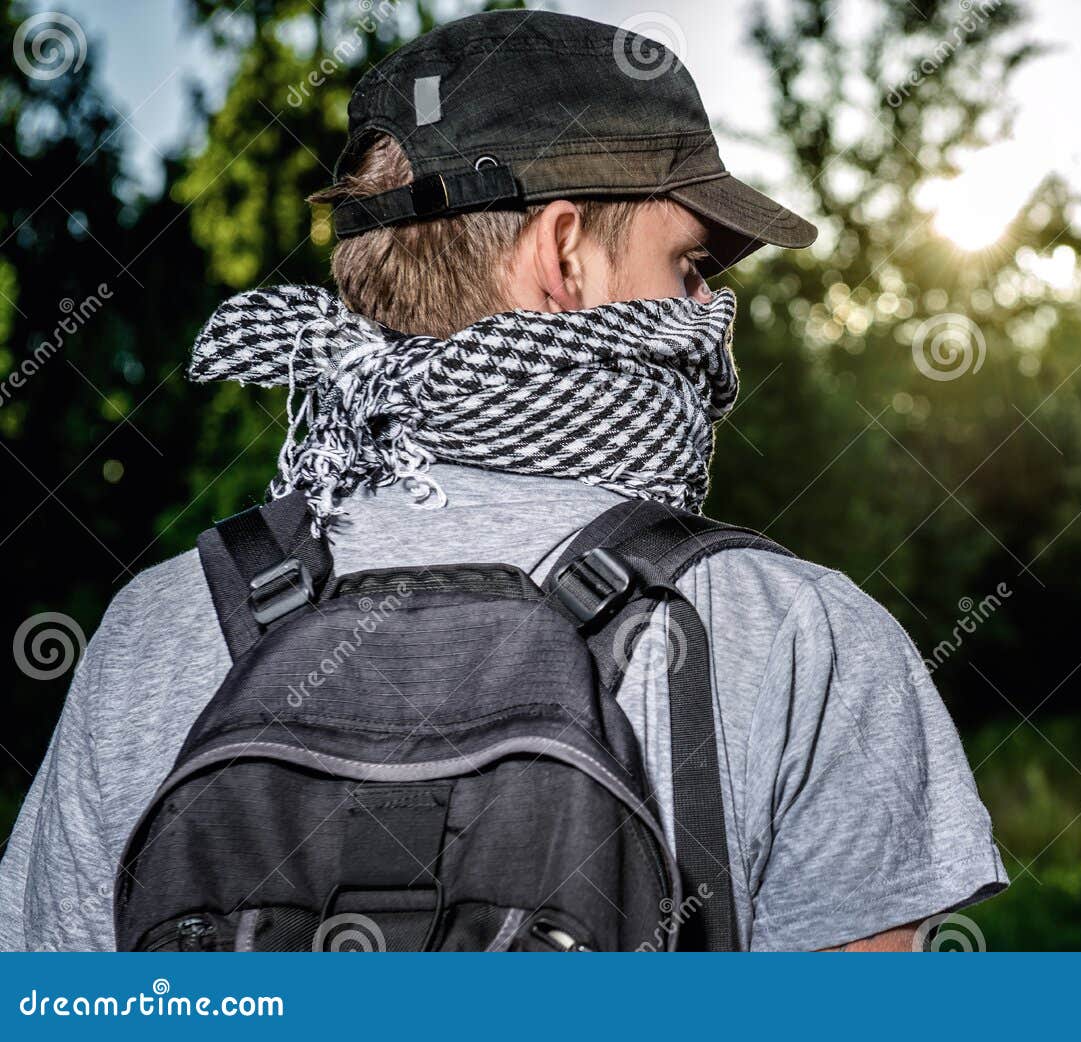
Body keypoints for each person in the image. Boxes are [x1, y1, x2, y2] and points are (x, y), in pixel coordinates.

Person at [0, 9, 1004, 952]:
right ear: (563, 253)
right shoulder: (802, 635)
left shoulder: (154, 627)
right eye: (693, 267)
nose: (712, 314)